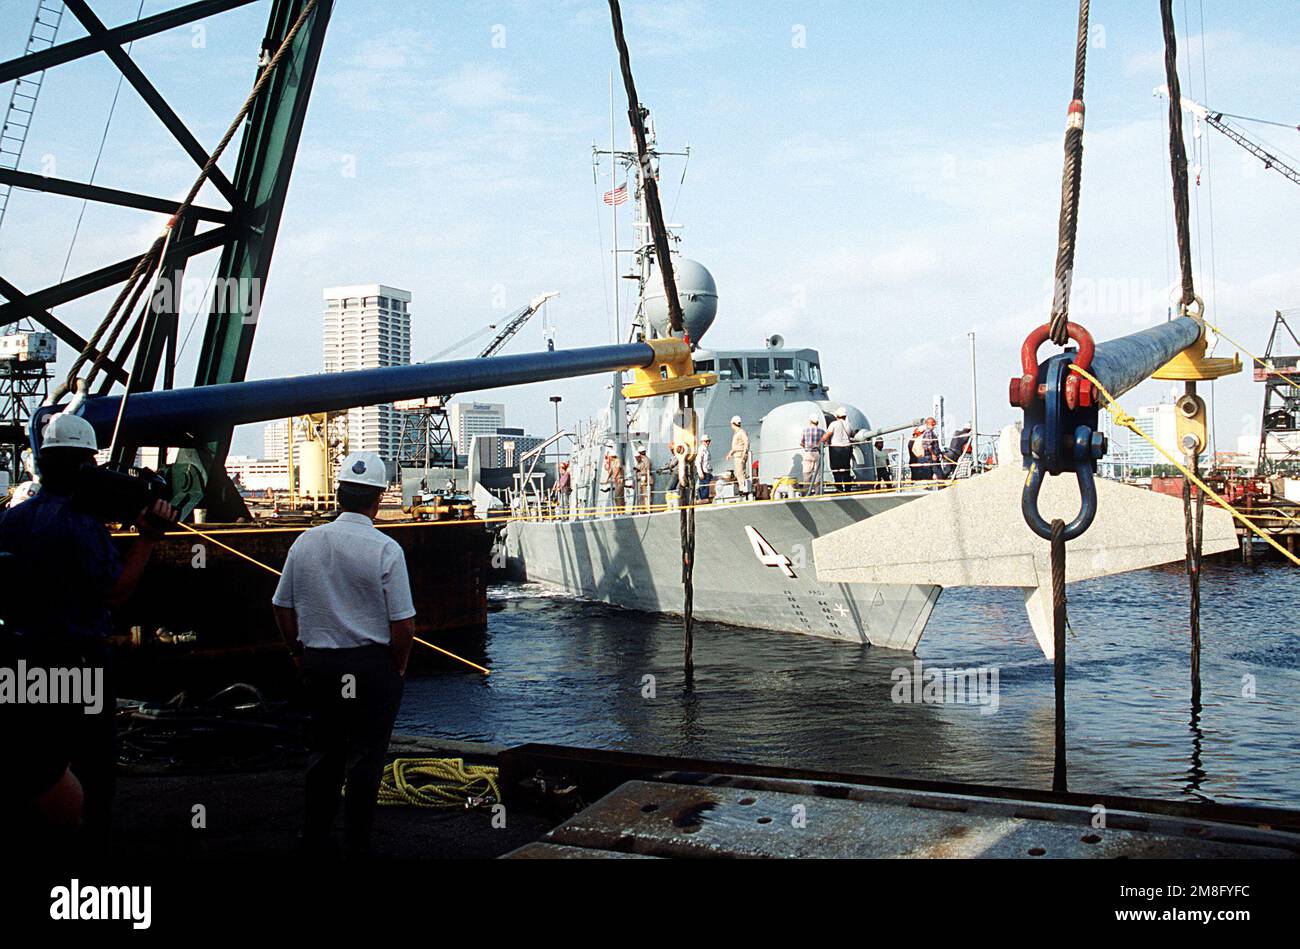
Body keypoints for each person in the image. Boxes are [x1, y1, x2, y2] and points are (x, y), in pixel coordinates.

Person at [0, 411, 177, 853]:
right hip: (77, 659)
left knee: (33, 758)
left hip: (20, 657)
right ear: (86, 464)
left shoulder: (12, 520)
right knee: (92, 760)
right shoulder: (81, 527)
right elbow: (115, 593)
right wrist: (148, 538)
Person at [272, 451, 416, 859]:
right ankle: (356, 842)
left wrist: (295, 650)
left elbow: (281, 606)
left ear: (338, 494)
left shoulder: (305, 542)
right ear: (379, 497)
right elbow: (403, 623)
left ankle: (314, 837)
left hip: (319, 663)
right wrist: (399, 664)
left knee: (323, 753)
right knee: (367, 758)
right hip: (371, 666)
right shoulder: (387, 549)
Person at [820, 406, 858, 492]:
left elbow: (827, 434)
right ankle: (848, 488)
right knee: (846, 469)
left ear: (837, 416)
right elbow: (852, 435)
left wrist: (820, 442)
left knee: (836, 469)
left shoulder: (833, 424)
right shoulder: (849, 425)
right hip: (847, 448)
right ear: (845, 416)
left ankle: (839, 488)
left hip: (836, 449)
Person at [800, 412, 825, 495]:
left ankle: (806, 493)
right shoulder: (822, 431)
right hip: (817, 453)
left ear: (810, 421)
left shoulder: (805, 430)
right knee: (818, 475)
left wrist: (806, 447)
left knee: (807, 474)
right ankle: (818, 493)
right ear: (817, 422)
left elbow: (801, 443)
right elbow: (826, 443)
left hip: (808, 453)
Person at [725, 415, 750, 493]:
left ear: (733, 423)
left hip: (740, 455)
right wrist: (730, 453)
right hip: (737, 455)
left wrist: (744, 453)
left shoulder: (741, 432)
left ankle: (743, 489)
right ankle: (742, 488)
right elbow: (735, 446)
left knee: (741, 473)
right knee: (739, 473)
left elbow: (746, 442)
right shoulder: (737, 433)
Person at [601, 447, 625, 512]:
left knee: (618, 496)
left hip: (620, 480)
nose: (609, 458)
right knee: (617, 497)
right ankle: (619, 511)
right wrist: (607, 479)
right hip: (616, 481)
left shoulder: (618, 460)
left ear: (612, 456)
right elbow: (611, 471)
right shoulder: (612, 462)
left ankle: (621, 511)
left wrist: (614, 477)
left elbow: (618, 469)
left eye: (610, 457)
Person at [633, 445, 653, 512]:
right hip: (643, 479)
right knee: (644, 495)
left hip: (646, 479)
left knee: (646, 495)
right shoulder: (643, 460)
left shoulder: (646, 460)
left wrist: (645, 479)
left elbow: (647, 469)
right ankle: (643, 509)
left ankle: (647, 510)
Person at [695, 433, 714, 502]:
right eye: (706, 441)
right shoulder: (701, 450)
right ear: (702, 442)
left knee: (708, 486)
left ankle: (706, 499)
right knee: (704, 487)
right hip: (704, 472)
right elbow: (698, 462)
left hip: (708, 471)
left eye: (709, 441)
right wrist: (700, 473)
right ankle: (703, 500)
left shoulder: (706, 449)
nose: (708, 442)